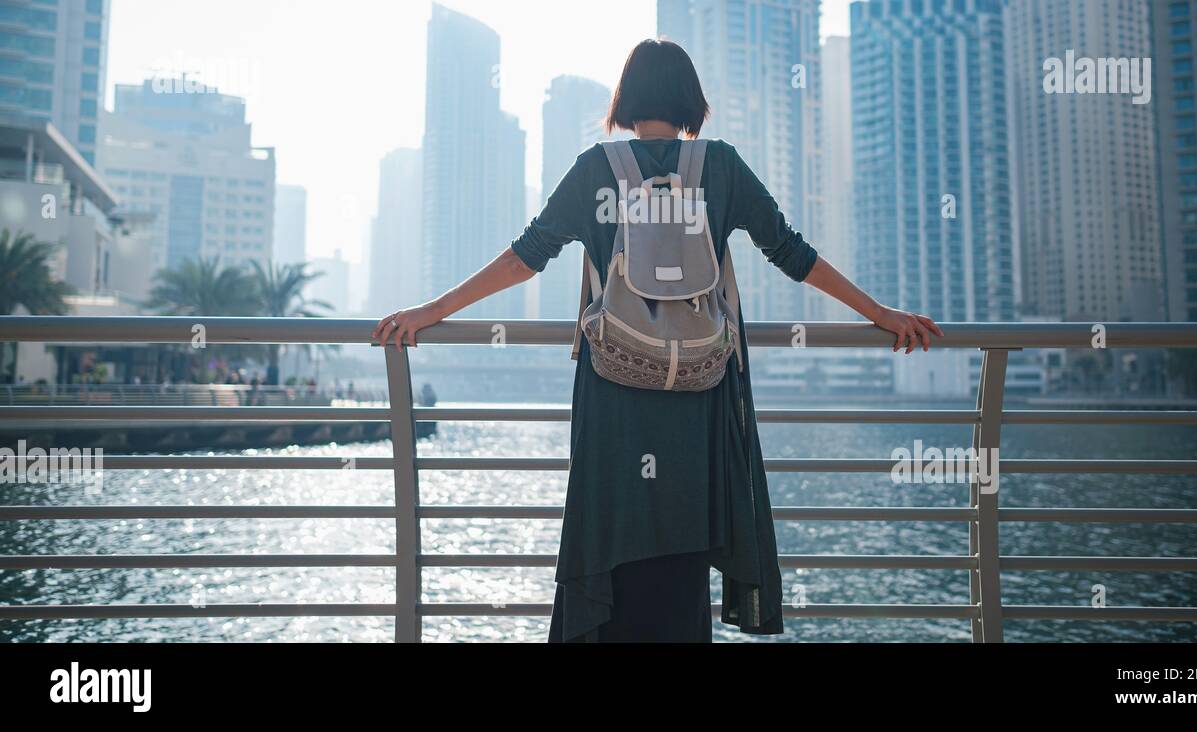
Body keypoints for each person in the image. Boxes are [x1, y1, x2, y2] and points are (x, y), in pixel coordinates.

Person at [374, 38, 942, 643]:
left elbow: (525, 257)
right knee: (680, 551)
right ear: (691, 102)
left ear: (626, 99)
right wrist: (878, 312)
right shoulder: (719, 167)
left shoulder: (598, 168)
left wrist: (432, 309)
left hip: (614, 396)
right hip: (696, 396)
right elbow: (792, 252)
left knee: (612, 541)